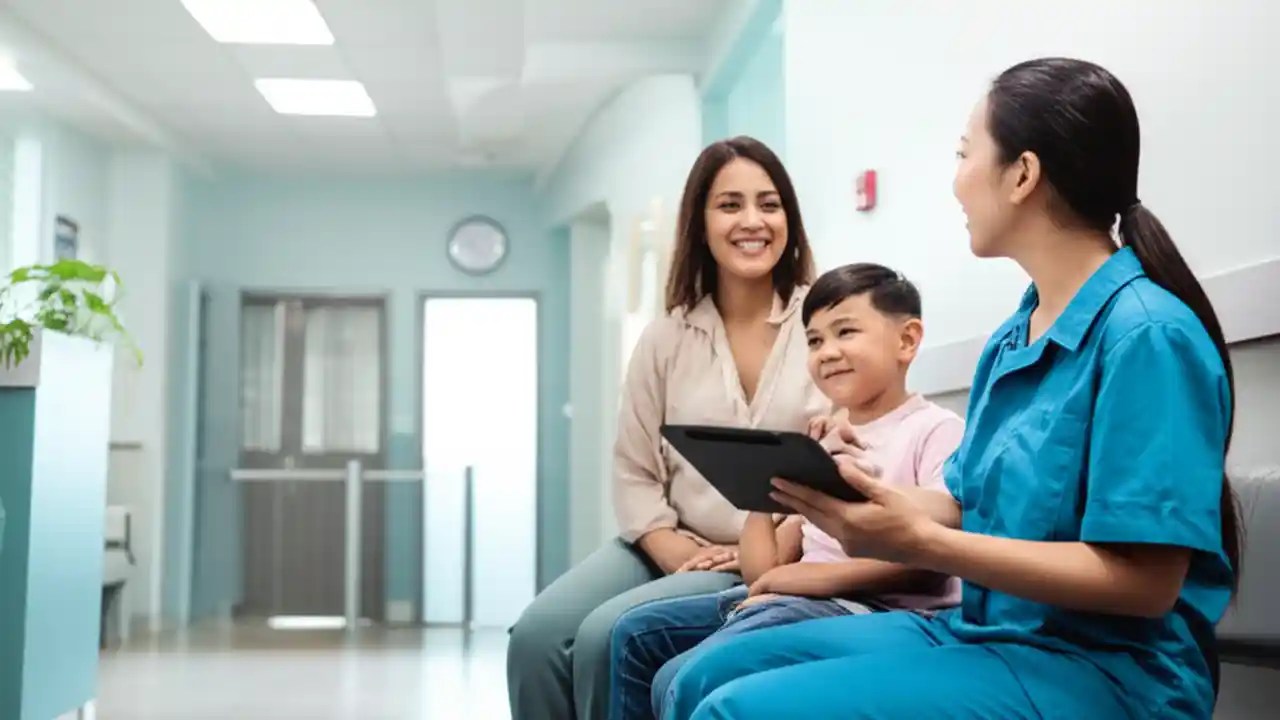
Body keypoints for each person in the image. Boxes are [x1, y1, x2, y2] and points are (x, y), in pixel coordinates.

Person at [661, 57, 1242, 720]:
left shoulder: (1147, 336)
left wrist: (920, 544)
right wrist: (852, 493)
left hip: (1104, 673)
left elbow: (1145, 584)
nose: (957, 182)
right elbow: (965, 503)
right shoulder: (1014, 336)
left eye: (965, 154)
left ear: (1022, 175)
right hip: (989, 634)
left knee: (733, 709)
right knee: (702, 675)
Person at [506, 136, 831, 720]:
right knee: (537, 636)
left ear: (790, 219)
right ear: (700, 222)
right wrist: (674, 547)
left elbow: (847, 462)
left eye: (769, 203)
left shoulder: (826, 326)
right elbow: (634, 467)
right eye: (730, 204)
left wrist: (758, 550)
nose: (752, 220)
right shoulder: (665, 337)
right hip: (669, 543)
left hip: (774, 554)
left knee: (607, 634)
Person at [606, 263, 965, 720]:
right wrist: (764, 487)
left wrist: (802, 580)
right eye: (814, 340)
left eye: (845, 332)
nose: (827, 352)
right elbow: (763, 570)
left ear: (907, 340)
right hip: (795, 600)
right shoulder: (827, 441)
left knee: (681, 674)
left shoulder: (936, 430)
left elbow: (929, 564)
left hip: (872, 611)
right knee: (634, 636)